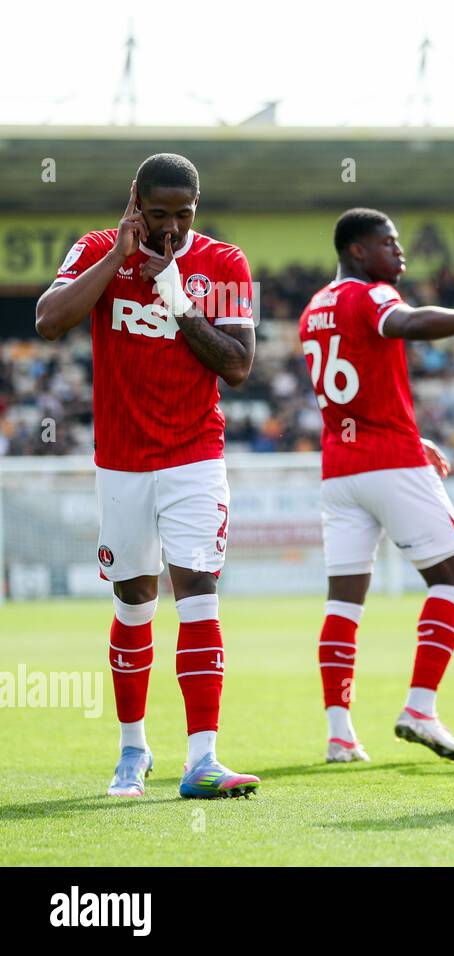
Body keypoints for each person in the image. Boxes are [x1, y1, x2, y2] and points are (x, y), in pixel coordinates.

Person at [35, 154, 260, 799]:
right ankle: (133, 750)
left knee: (198, 591)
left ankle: (204, 758)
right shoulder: (99, 248)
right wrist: (119, 259)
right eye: (157, 213)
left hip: (194, 455)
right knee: (134, 601)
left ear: (197, 206)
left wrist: (178, 298)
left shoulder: (223, 265)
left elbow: (238, 365)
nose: (169, 227)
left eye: (182, 215)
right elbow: (50, 321)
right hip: (122, 461)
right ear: (134, 200)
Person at [300, 208, 454, 765]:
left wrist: (414, 440)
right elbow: (408, 325)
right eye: (390, 243)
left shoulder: (314, 307)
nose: (401, 253)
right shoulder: (369, 297)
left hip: (341, 471)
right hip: (389, 464)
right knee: (451, 582)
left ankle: (339, 733)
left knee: (343, 601)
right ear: (359, 251)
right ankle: (420, 706)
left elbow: (359, 390)